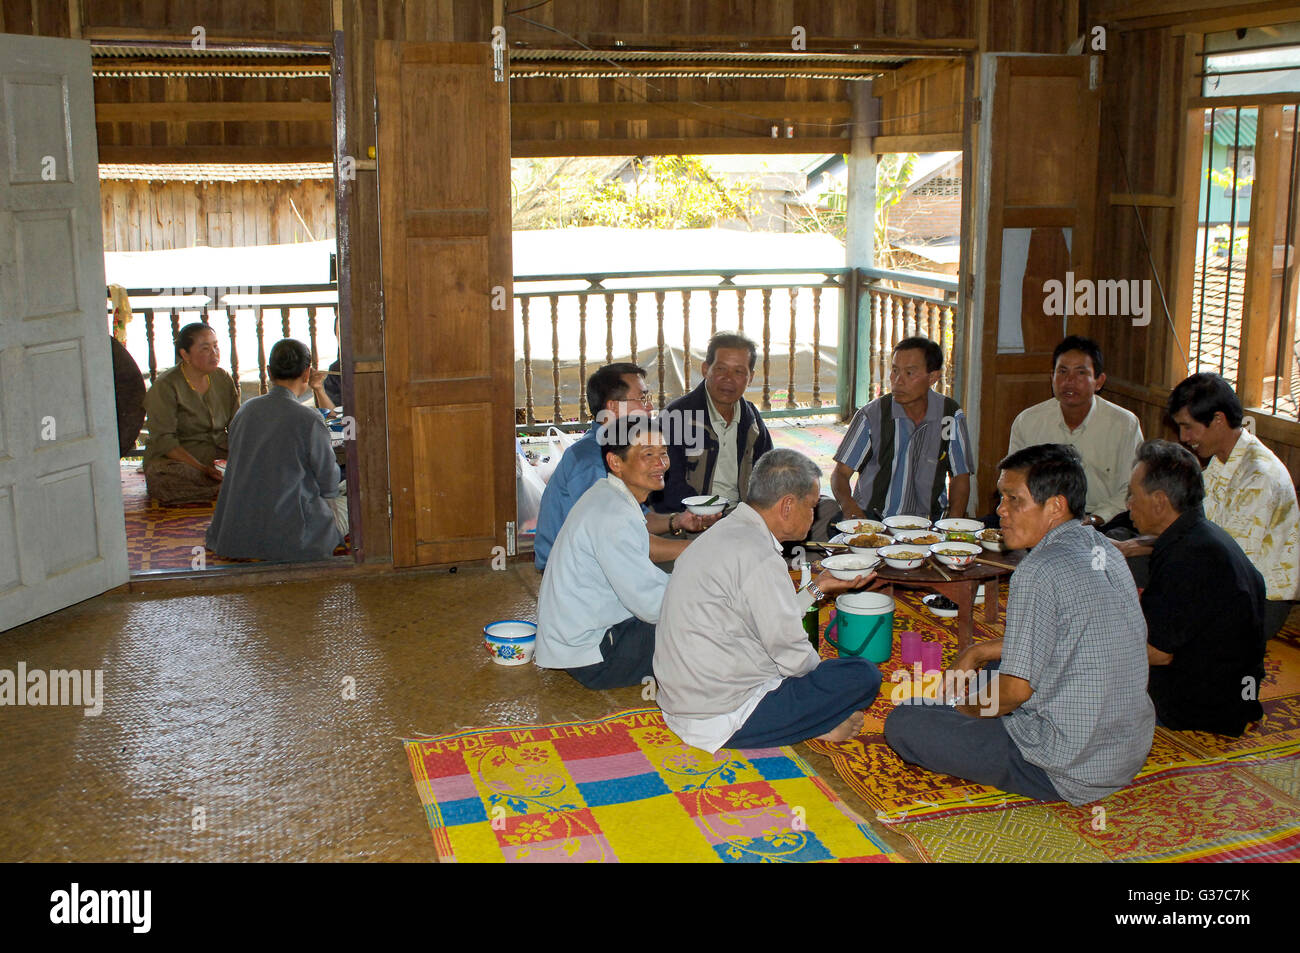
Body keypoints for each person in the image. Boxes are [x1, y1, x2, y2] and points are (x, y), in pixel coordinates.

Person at [884, 444, 1155, 806]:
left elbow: (1015, 691)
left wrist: (962, 711)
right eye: (1002, 498)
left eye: (1014, 500)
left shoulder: (1038, 571)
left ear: (1055, 506)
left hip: (1064, 767)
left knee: (905, 722)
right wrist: (977, 651)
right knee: (988, 671)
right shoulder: (1105, 550)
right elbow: (1070, 636)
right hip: (1126, 750)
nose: (1000, 510)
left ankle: (963, 717)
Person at [654, 449, 882, 752]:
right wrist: (824, 697)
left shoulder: (727, 532)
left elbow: (771, 618)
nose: (813, 516)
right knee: (863, 675)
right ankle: (818, 722)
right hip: (725, 715)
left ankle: (813, 719)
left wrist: (818, 587)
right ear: (787, 505)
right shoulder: (759, 555)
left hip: (682, 703)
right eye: (812, 506)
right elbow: (792, 654)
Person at [1127, 440, 1266, 736]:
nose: (1128, 504)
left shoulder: (1188, 558)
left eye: (1133, 495)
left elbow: (1157, 652)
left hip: (1203, 705)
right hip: (1236, 693)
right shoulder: (1203, 535)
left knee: (1082, 678)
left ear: (1160, 501)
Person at [534, 363, 714, 572]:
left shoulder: (620, 448)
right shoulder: (592, 461)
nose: (650, 407)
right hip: (573, 570)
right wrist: (700, 549)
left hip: (605, 554)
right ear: (613, 407)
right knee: (700, 567)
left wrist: (679, 521)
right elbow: (622, 541)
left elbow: (638, 519)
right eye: (642, 398)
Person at [535, 414, 671, 689]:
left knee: (693, 600)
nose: (661, 464)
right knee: (708, 626)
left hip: (580, 644)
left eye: (664, 453)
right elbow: (651, 605)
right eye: (648, 454)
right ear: (615, 462)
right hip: (596, 658)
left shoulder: (607, 494)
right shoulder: (613, 515)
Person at [1160, 373, 1299, 639]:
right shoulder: (1222, 460)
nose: (1183, 437)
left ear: (1218, 420)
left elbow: (1227, 564)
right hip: (1222, 577)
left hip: (1257, 600)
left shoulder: (1259, 476)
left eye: (1188, 427)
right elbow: (1191, 526)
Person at [205, 339, 344, 562]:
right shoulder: (308, 419)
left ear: (269, 372)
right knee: (353, 502)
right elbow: (328, 483)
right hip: (292, 537)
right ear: (306, 374)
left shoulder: (246, 411)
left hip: (236, 533)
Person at [831, 336, 972, 522]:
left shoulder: (949, 415)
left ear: (933, 377)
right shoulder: (871, 416)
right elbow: (840, 474)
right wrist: (852, 512)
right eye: (895, 370)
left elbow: (960, 475)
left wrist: (952, 524)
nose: (897, 381)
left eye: (909, 373)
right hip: (875, 520)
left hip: (928, 523)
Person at [1006, 336, 1143, 527]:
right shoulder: (1028, 421)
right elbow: (1012, 479)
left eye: (1081, 373)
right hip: (1041, 517)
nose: (1069, 381)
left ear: (1099, 381)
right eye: (1062, 372)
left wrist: (1095, 519)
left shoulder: (1124, 424)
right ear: (1052, 378)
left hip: (1103, 521)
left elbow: (1130, 489)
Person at [655, 332, 773, 514]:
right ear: (705, 370)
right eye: (720, 369)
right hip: (692, 517)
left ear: (750, 378)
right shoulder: (676, 417)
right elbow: (668, 486)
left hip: (742, 515)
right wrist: (708, 513)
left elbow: (768, 473)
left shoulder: (751, 420)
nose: (728, 378)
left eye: (739, 371)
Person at [142, 322, 240, 504]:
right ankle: (229, 487)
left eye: (216, 346)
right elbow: (165, 441)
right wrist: (203, 469)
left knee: (263, 461)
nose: (214, 353)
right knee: (162, 477)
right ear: (185, 354)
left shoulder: (222, 378)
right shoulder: (165, 386)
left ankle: (227, 485)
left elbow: (237, 425)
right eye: (205, 348)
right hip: (182, 460)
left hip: (218, 455)